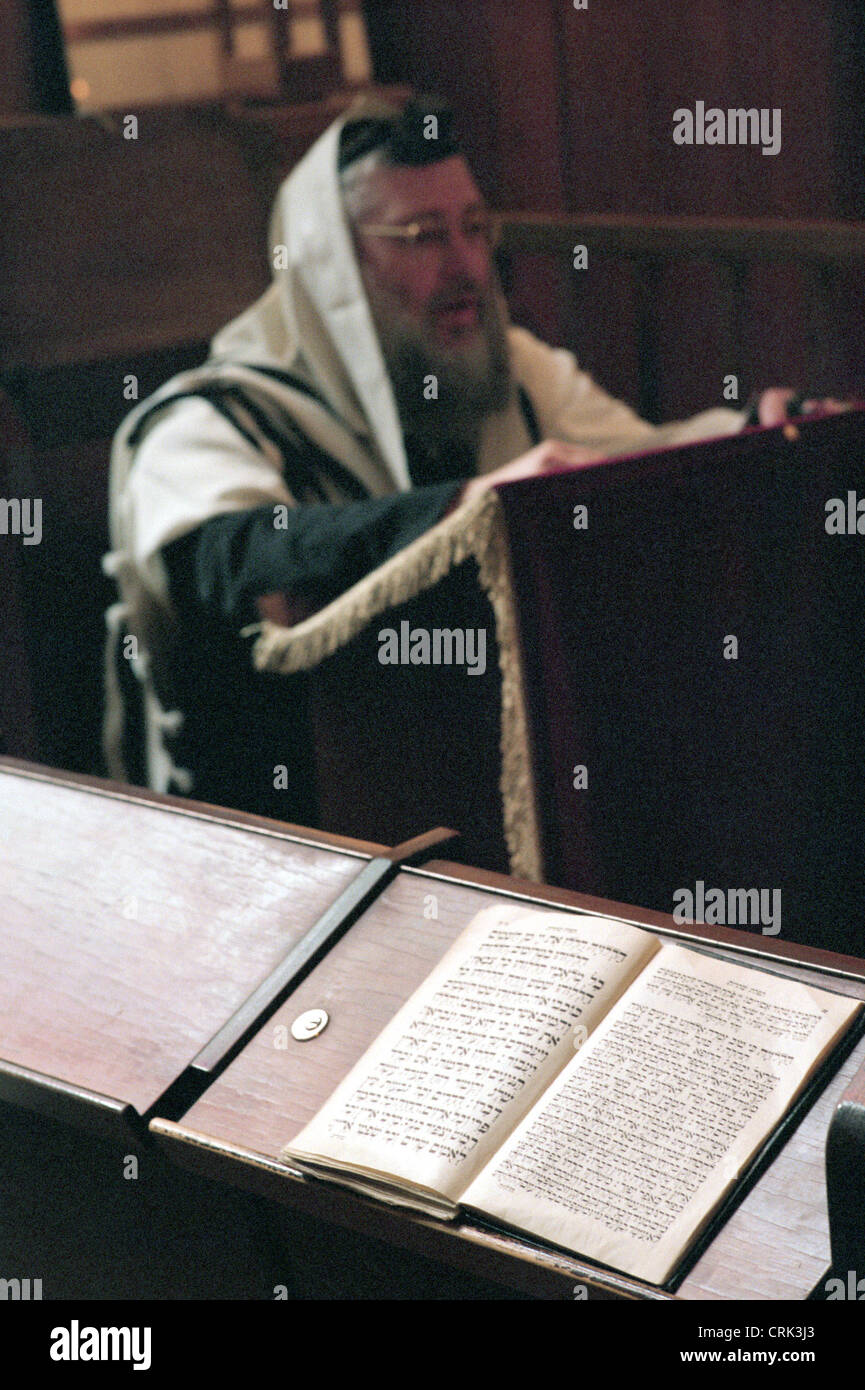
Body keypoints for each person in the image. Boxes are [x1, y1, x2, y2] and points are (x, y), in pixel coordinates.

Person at [103, 93, 843, 819]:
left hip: (484, 795)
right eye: (421, 234)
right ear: (332, 269)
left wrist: (754, 431)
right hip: (283, 830)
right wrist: (475, 507)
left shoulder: (510, 371)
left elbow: (633, 458)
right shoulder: (209, 418)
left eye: (473, 227)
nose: (465, 266)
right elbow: (235, 562)